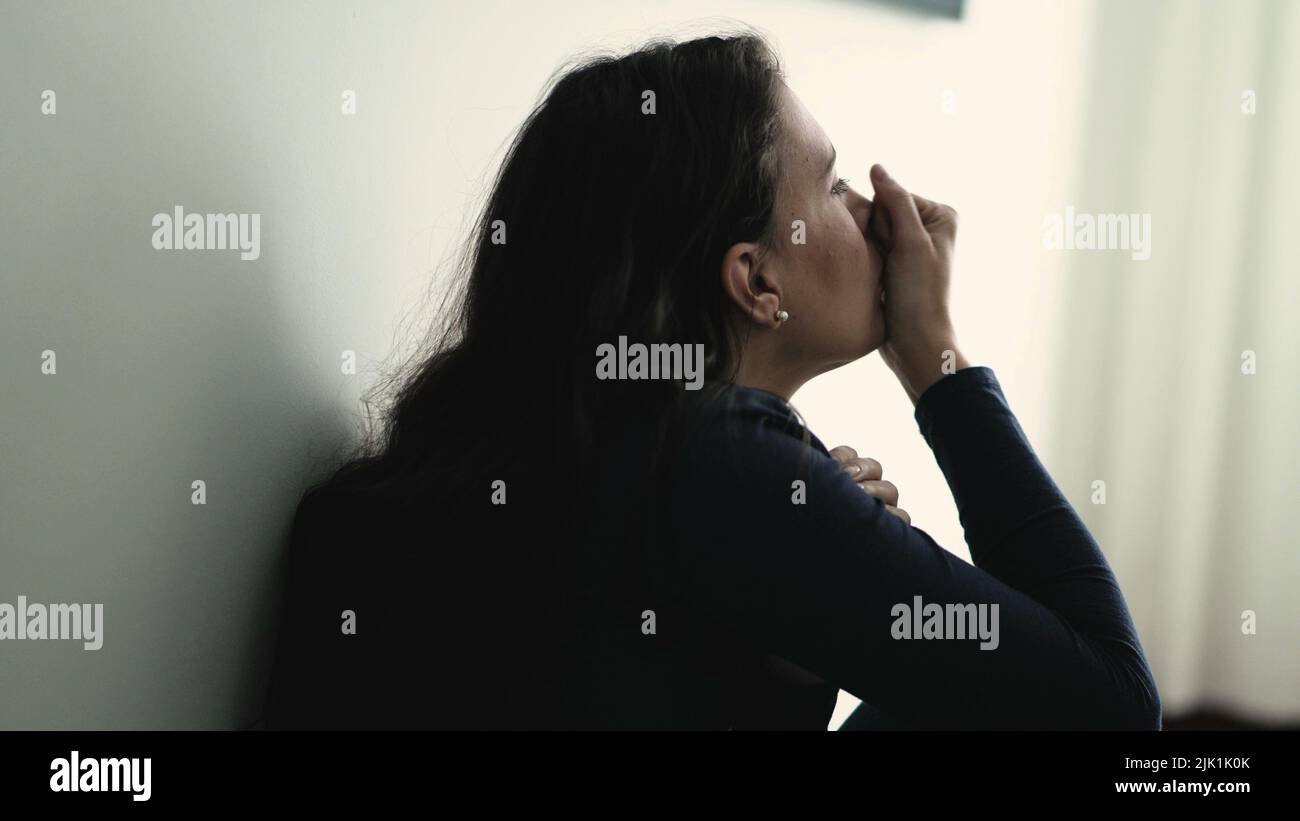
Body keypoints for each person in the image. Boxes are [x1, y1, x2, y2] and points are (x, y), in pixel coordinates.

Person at [264, 30, 1161, 730]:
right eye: (835, 182)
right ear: (756, 280)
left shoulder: (569, 450)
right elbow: (1113, 705)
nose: (871, 210)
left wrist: (794, 648)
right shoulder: (716, 456)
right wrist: (937, 357)